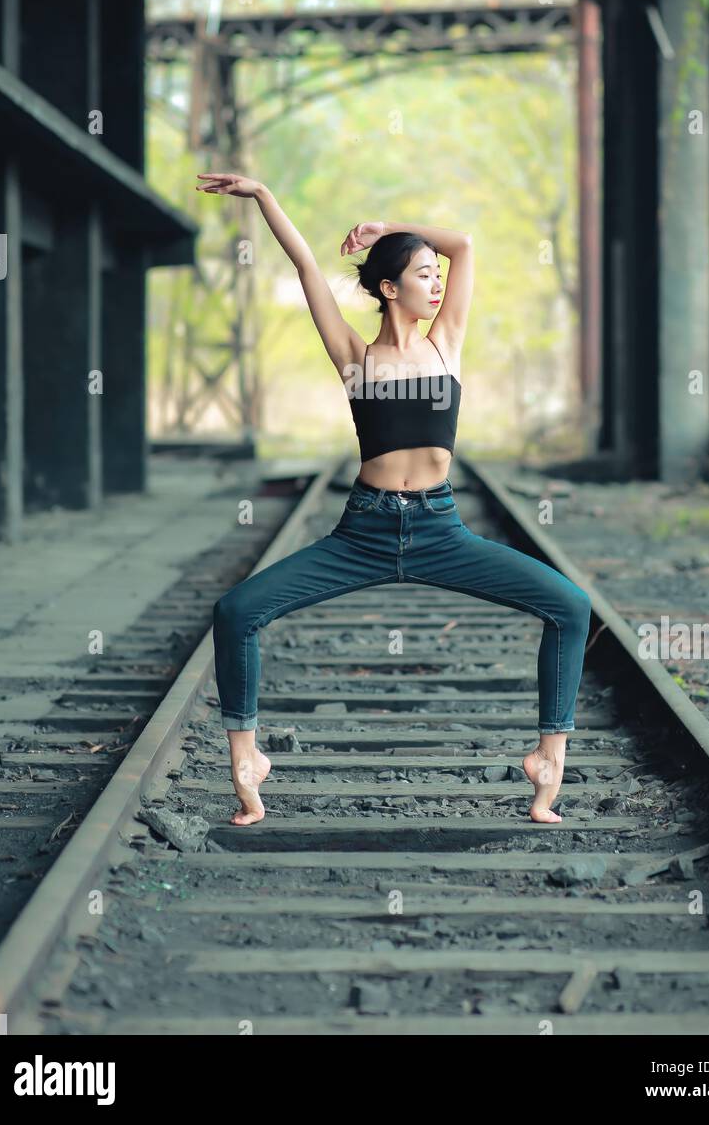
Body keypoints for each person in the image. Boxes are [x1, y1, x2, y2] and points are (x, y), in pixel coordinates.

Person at [198, 172, 592, 828]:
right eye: (421, 273)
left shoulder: (447, 344)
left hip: (442, 531)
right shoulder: (355, 357)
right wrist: (266, 196)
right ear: (388, 288)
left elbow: (463, 245)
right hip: (363, 534)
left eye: (435, 275)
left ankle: (548, 757)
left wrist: (388, 228)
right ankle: (248, 757)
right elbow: (305, 266)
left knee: (570, 607)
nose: (436, 282)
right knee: (236, 611)